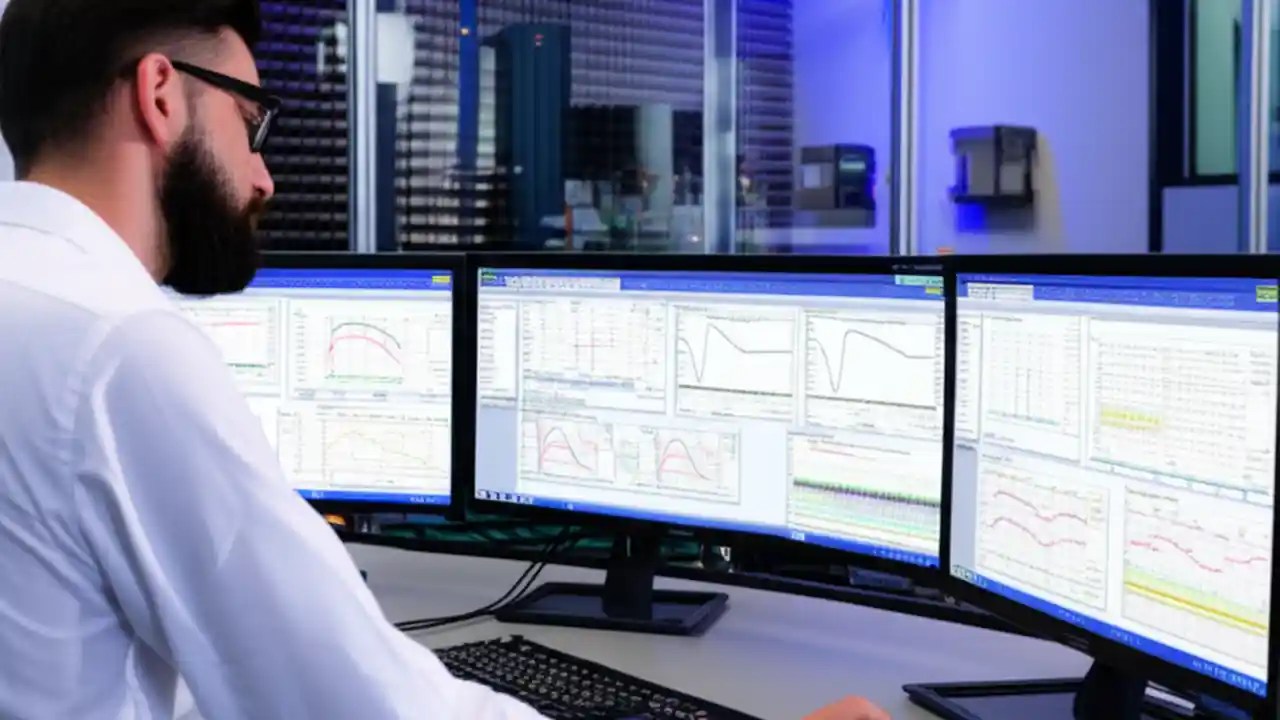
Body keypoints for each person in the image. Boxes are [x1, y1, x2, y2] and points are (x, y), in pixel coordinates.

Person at [0, 1, 894, 718]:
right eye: (251, 121)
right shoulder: (121, 353)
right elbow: (353, 705)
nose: (265, 176)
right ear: (160, 94)